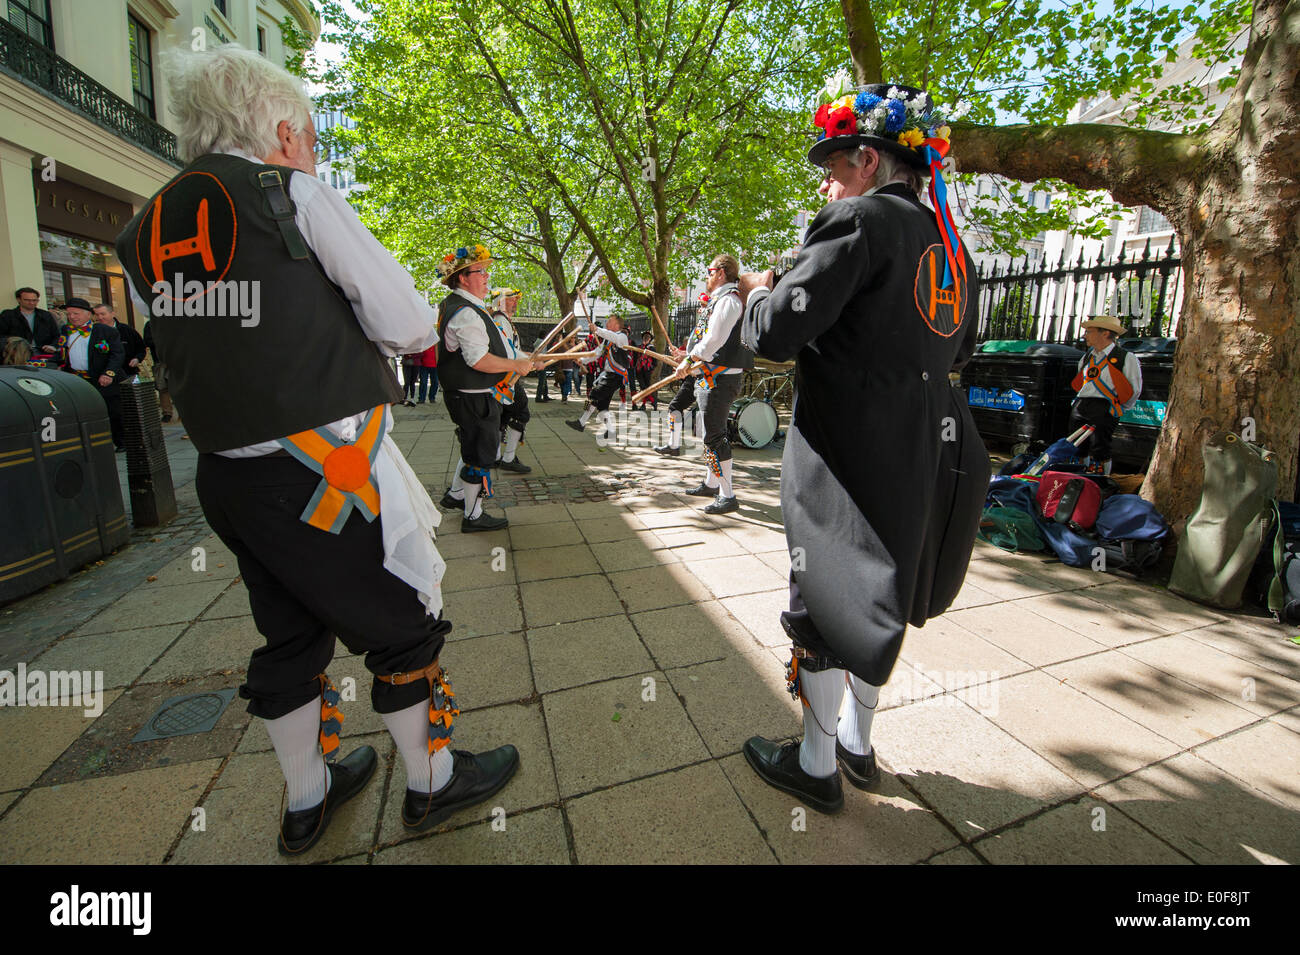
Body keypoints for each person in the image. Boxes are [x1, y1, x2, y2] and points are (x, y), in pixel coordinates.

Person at [113, 44, 519, 853]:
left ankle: (307, 801)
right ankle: (433, 783)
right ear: (281, 130)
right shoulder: (287, 190)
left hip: (228, 474)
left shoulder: (141, 226)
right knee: (402, 621)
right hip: (324, 465)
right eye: (305, 133)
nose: (311, 147)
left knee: (290, 631)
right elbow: (409, 323)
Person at [737, 79, 989, 814]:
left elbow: (778, 333)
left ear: (871, 161)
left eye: (837, 163)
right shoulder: (952, 247)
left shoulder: (858, 220)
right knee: (889, 586)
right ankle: (857, 740)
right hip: (923, 448)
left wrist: (759, 292)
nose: (828, 178)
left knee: (820, 595)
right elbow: (961, 348)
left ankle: (816, 765)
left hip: (848, 451)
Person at [434, 247, 537, 530]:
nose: (487, 275)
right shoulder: (465, 312)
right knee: (481, 453)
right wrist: (515, 365)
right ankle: (473, 515)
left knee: (474, 446)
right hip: (473, 395)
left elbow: (496, 347)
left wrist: (521, 359)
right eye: (480, 271)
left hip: (472, 394)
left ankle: (456, 496)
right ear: (463, 278)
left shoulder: (464, 306)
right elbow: (477, 359)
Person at [669, 255, 753, 515]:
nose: (706, 276)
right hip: (711, 376)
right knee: (708, 434)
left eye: (709, 271)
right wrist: (687, 355)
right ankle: (711, 483)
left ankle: (728, 495)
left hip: (721, 378)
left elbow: (715, 339)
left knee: (715, 436)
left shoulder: (729, 300)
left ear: (721, 273)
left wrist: (691, 359)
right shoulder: (720, 300)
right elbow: (709, 339)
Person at [1069, 316, 1143, 475]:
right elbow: (1080, 382)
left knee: (1100, 447)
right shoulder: (1087, 357)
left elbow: (1134, 387)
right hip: (1081, 405)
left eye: (1089, 332)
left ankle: (1099, 481)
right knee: (1076, 446)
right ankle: (1076, 477)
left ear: (1105, 333)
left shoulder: (1125, 357)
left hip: (1105, 406)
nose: (1085, 335)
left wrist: (1118, 406)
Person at [57, 298, 126, 451]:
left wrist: (108, 373)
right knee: (85, 412)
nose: (72, 317)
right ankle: (93, 443)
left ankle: (122, 442)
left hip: (103, 379)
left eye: (76, 313)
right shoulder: (65, 330)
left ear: (89, 314)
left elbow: (117, 354)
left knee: (114, 412)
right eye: (69, 314)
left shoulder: (105, 331)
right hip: (78, 379)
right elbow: (62, 353)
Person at [565, 315, 631, 442]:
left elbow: (614, 337)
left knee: (593, 394)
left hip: (616, 375)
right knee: (602, 406)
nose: (607, 323)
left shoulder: (622, 336)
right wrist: (582, 360)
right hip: (609, 375)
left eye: (610, 321)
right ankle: (611, 431)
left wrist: (597, 330)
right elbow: (596, 353)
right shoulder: (607, 340)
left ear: (617, 325)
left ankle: (582, 421)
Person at [490, 287, 532, 473]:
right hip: (506, 376)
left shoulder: (504, 320)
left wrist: (528, 357)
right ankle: (507, 458)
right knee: (521, 412)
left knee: (503, 415)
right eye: (511, 299)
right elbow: (507, 349)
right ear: (500, 301)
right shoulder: (500, 320)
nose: (515, 302)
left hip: (506, 374)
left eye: (516, 299)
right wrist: (527, 359)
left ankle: (496, 456)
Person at [92, 303, 146, 380]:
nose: (100, 317)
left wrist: (137, 359)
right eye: (97, 315)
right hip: (102, 376)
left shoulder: (127, 330)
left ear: (113, 314)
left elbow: (141, 349)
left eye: (103, 314)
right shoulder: (93, 332)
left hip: (127, 373)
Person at [0, 287, 60, 353]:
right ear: (18, 299)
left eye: (34, 300)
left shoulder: (45, 315)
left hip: (43, 353)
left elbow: (56, 335)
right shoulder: (8, 315)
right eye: (27, 300)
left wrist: (53, 346)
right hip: (17, 354)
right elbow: (2, 336)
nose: (31, 303)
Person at [416, 336, 439, 404]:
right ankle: (422, 398)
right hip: (424, 365)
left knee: (435, 383)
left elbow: (437, 353)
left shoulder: (435, 343)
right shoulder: (423, 342)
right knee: (423, 382)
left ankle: (432, 397)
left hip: (434, 365)